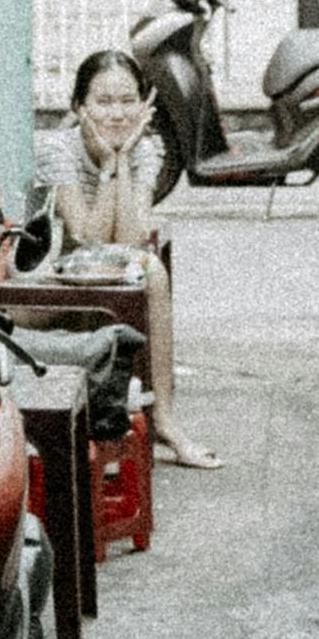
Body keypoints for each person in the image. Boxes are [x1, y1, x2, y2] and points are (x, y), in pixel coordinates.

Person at [49, 43, 214, 467]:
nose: (117, 114)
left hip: (111, 267)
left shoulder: (145, 148)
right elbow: (87, 237)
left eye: (128, 102)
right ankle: (98, 430)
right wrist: (107, 165)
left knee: (151, 271)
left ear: (145, 106)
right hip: (55, 274)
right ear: (79, 106)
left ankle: (166, 420)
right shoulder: (60, 149)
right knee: (121, 275)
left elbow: (133, 235)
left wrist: (122, 158)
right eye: (103, 102)